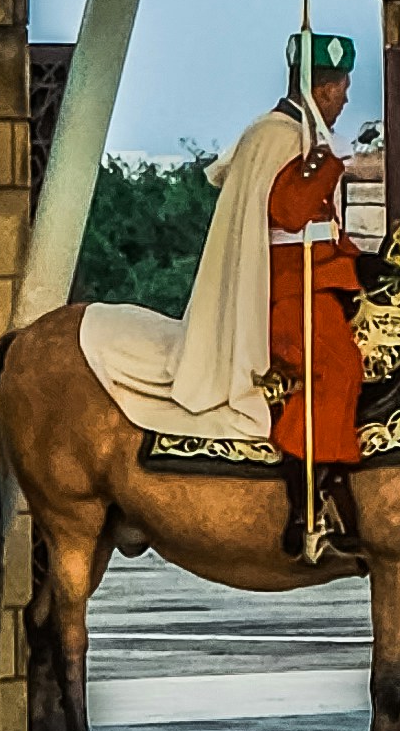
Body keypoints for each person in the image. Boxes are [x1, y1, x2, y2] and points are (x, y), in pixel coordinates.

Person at [151, 31, 366, 552]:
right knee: (336, 368)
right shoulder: (280, 135)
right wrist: (326, 161)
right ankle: (307, 504)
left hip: (318, 277)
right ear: (325, 87)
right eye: (341, 89)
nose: (345, 101)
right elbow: (289, 212)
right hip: (290, 293)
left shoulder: (301, 134)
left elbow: (317, 228)